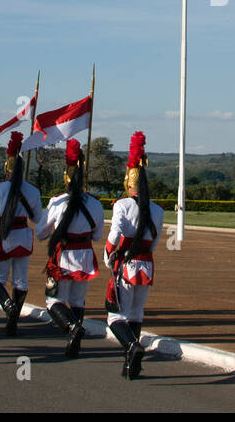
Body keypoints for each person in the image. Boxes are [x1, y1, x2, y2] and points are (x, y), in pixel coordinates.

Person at [104, 131, 164, 380]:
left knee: (115, 316)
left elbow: (115, 234)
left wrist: (109, 255)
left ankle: (132, 346)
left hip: (125, 264)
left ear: (128, 183)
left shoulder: (122, 205)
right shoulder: (158, 210)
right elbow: (156, 241)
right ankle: (131, 364)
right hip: (147, 264)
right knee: (137, 313)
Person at [37, 138, 103, 358]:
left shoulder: (57, 202)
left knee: (53, 301)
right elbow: (98, 235)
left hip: (63, 256)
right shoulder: (95, 204)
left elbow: (40, 233)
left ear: (66, 176)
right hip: (84, 255)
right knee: (77, 300)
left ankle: (71, 328)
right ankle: (74, 342)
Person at [0, 132, 45, 335]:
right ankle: (14, 317)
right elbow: (37, 219)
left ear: (7, 167)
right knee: (20, 280)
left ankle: (8, 306)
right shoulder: (33, 191)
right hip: (24, 237)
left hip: (4, 236)